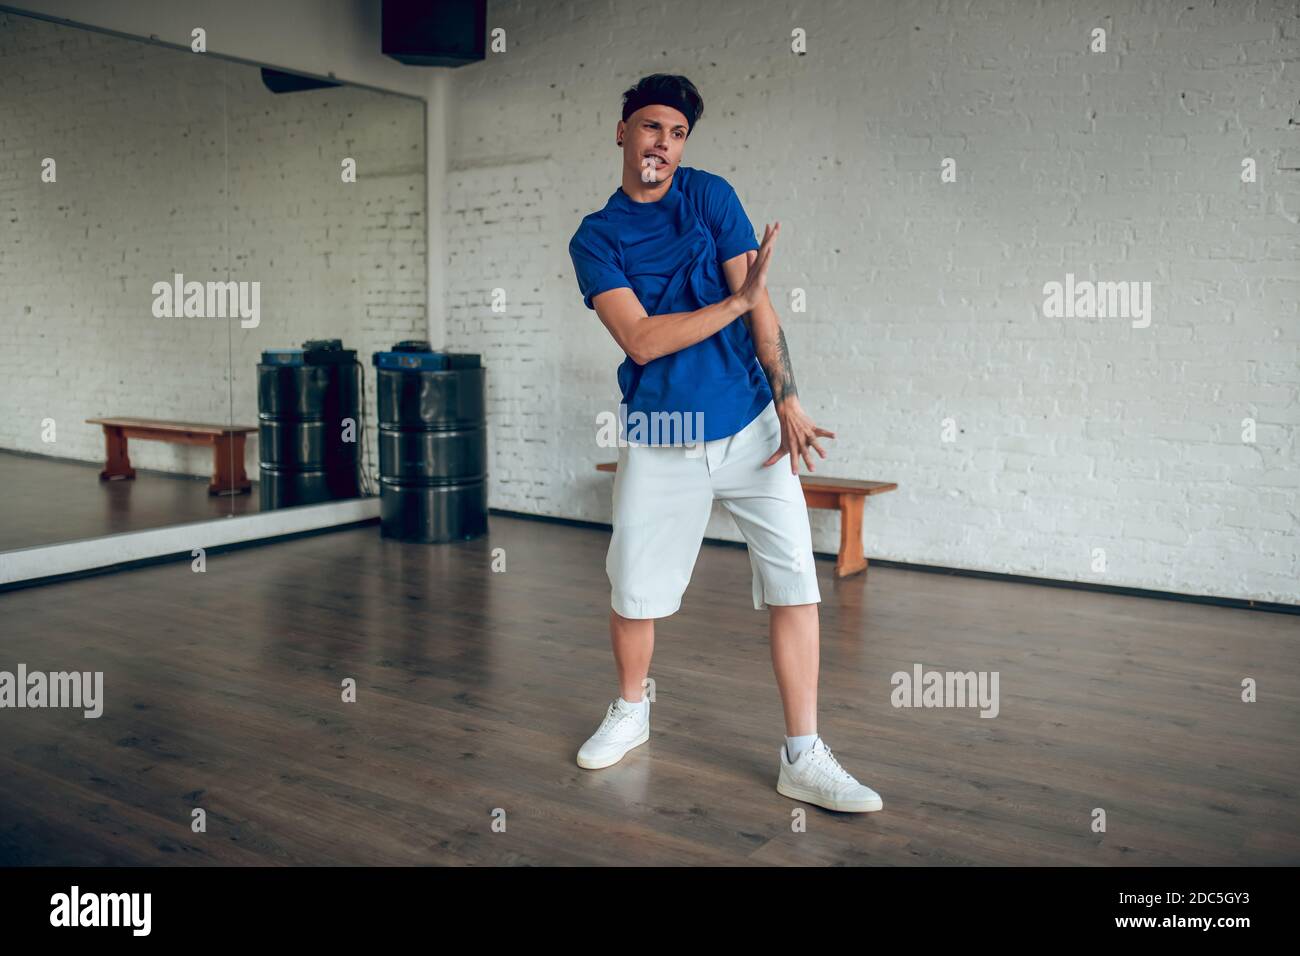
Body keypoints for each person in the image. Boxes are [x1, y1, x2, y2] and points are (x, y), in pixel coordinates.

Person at [567, 74, 883, 813]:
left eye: (677, 133)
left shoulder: (710, 196)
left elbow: (759, 304)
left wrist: (788, 397)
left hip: (751, 425)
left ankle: (803, 755)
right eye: (651, 127)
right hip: (662, 431)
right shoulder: (596, 237)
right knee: (634, 590)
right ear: (622, 131)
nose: (663, 144)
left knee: (795, 581)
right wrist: (735, 302)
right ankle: (631, 710)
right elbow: (641, 340)